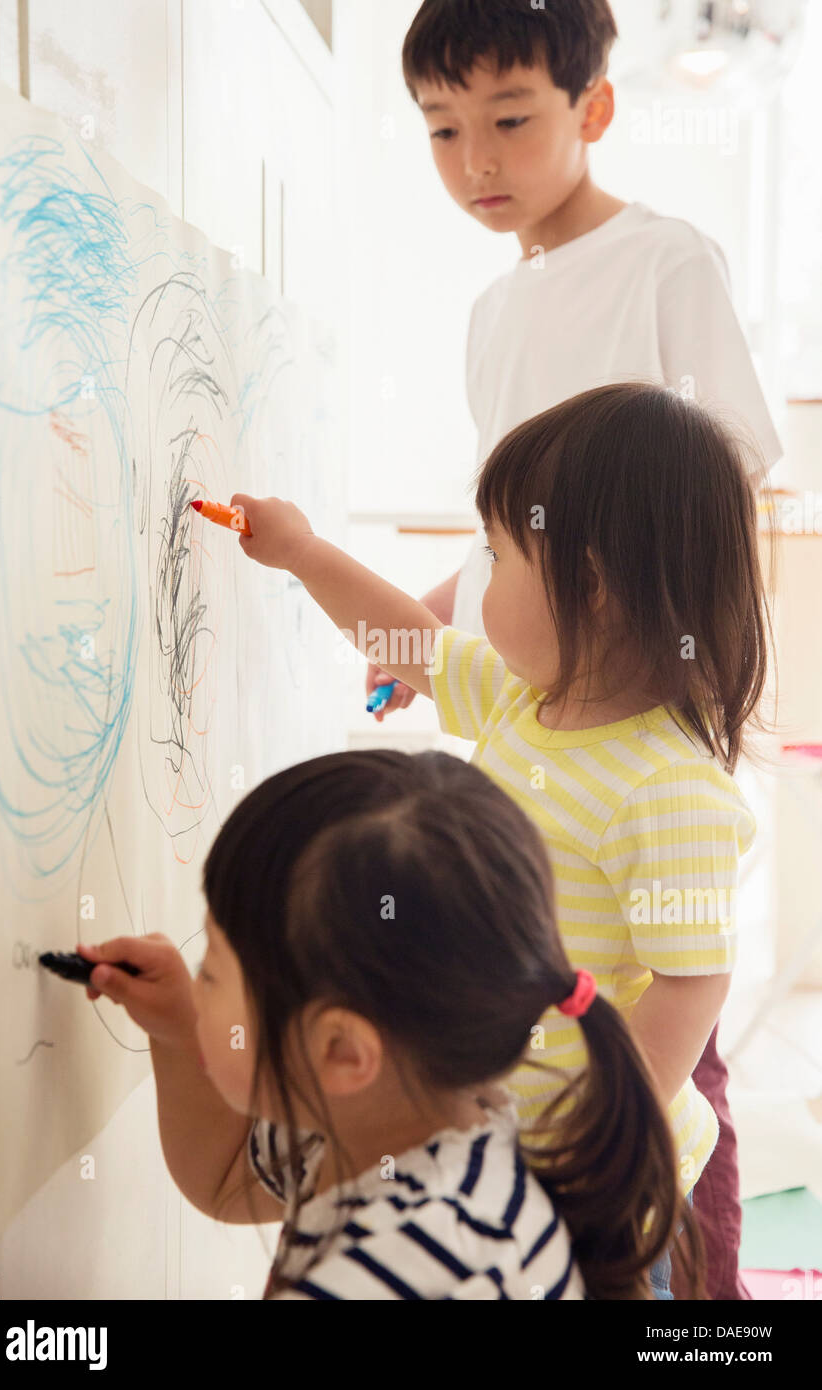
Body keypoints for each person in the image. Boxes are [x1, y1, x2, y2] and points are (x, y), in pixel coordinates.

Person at [367, 0, 782, 1299]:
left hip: (638, 708)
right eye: (441, 129)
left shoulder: (664, 260)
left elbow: (725, 483)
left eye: (507, 120)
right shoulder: (498, 312)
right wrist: (434, 616)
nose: (473, 160)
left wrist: (674, 672)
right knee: (559, 982)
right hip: (539, 693)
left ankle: (691, 1293)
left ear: (592, 110)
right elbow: (513, 532)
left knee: (669, 1048)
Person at [0, 748, 704, 1299]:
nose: (199, 978)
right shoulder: (400, 1133)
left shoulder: (406, 1269)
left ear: (343, 1050)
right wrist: (184, 1031)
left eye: (214, 967)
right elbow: (222, 1179)